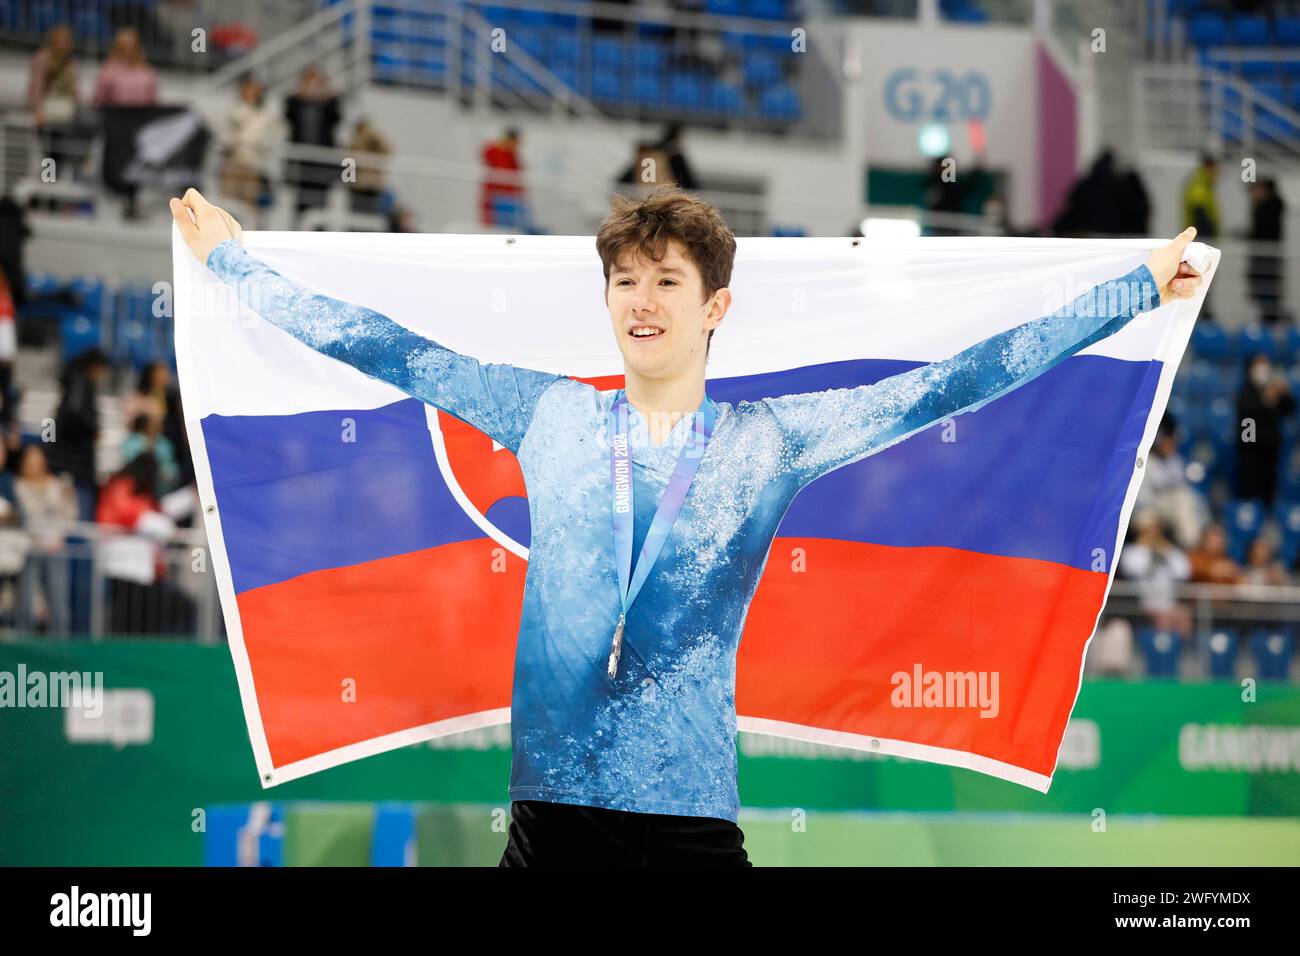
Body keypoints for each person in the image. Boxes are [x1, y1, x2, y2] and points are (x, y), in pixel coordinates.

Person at [170, 185, 1203, 867]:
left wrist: (1133, 288)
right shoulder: (549, 413)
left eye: (668, 280)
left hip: (689, 828)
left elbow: (959, 380)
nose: (642, 299)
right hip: (548, 824)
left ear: (715, 306)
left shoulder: (772, 439)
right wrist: (231, 265)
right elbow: (384, 346)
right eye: (626, 280)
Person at [93, 27, 159, 221]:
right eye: (123, 46)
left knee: (136, 165)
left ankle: (132, 201)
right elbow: (99, 98)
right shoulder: (110, 69)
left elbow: (152, 98)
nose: (128, 50)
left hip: (138, 127)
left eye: (131, 46)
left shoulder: (145, 69)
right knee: (115, 163)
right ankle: (117, 196)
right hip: (117, 126)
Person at [12, 443, 78, 636]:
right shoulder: (18, 485)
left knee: (59, 601)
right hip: (30, 548)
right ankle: (23, 643)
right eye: (29, 459)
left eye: (37, 458)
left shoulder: (57, 485)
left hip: (55, 548)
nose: (33, 463)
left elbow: (70, 518)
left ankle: (59, 645)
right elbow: (30, 516)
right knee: (26, 600)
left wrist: (67, 499)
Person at [1234, 353, 1296, 507]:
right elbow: (1249, 420)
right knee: (1249, 493)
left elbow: (1288, 408)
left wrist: (1284, 393)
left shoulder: (1272, 390)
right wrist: (1268, 400)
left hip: (1270, 453)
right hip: (1250, 455)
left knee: (1269, 494)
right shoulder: (1246, 392)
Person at [217, 75, 283, 215]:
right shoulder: (233, 111)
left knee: (249, 207)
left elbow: (270, 139)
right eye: (249, 89)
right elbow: (224, 135)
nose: (252, 93)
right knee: (228, 206)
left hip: (253, 166)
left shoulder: (266, 116)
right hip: (232, 164)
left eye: (256, 90)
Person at [284, 66, 343, 221]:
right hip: (301, 160)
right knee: (300, 201)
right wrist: (304, 95)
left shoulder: (329, 103)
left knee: (321, 201)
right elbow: (288, 114)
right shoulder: (295, 101)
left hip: (322, 161)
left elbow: (337, 118)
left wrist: (323, 95)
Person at [27, 25, 83, 179]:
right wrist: (38, 111)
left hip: (65, 114)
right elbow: (36, 86)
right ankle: (47, 184)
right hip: (46, 111)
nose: (64, 45)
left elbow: (74, 88)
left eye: (67, 41)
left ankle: (56, 185)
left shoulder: (70, 62)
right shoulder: (43, 58)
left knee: (61, 153)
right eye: (61, 41)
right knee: (48, 152)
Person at [1246, 178, 1285, 325]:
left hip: (1266, 258)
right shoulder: (1271, 206)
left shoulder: (1269, 207)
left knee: (1268, 291)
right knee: (1264, 292)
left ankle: (1272, 323)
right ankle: (1270, 322)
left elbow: (1260, 231)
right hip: (1263, 257)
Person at [480, 128, 526, 227]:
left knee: (512, 223)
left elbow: (517, 172)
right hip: (497, 193)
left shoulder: (512, 154)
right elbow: (487, 155)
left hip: (510, 194)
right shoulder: (495, 150)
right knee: (496, 223)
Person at [346, 117, 391, 216]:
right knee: (356, 215)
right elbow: (351, 161)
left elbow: (389, 151)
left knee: (371, 215)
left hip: (373, 187)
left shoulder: (376, 143)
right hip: (358, 187)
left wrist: (376, 137)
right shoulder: (354, 143)